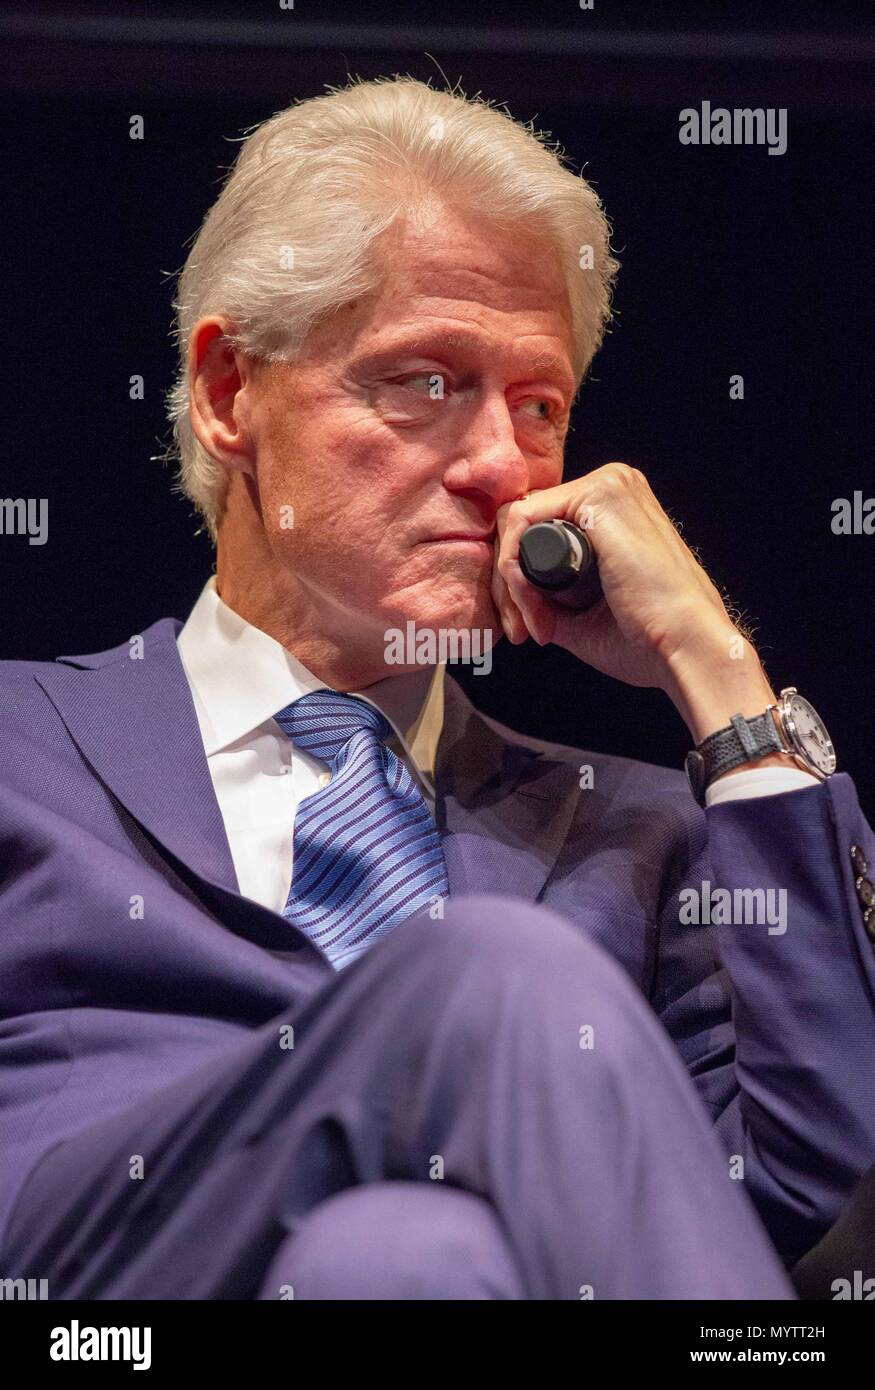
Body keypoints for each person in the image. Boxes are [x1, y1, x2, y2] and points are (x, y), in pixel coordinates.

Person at [1, 76, 873, 1301]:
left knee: (404, 1259)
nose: (499, 466)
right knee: (498, 971)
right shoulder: (19, 744)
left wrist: (718, 674)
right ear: (227, 393)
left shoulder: (636, 834)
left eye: (537, 405)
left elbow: (804, 1191)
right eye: (422, 382)